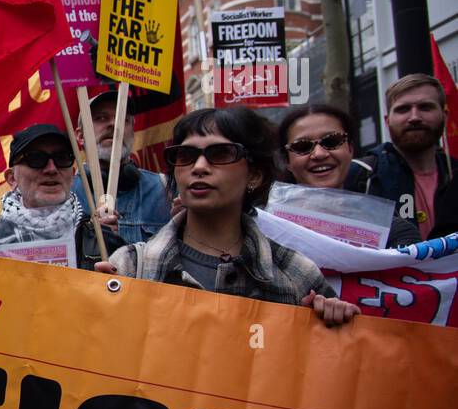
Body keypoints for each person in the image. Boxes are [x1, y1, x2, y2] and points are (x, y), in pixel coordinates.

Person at [96, 108, 360, 326]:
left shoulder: (296, 274)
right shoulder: (130, 267)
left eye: (221, 154)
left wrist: (333, 321)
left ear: (255, 175)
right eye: (186, 156)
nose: (199, 167)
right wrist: (96, 304)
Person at [0, 124, 124, 270]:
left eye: (62, 158)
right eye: (36, 159)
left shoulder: (102, 241)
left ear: (73, 172)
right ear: (12, 178)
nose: (51, 169)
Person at [276, 104, 421, 247]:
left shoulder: (391, 230)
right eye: (302, 146)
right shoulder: (264, 227)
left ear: (351, 148)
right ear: (286, 160)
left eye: (332, 141)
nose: (319, 154)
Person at [343, 74, 457, 239]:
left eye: (425, 107)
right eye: (403, 109)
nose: (414, 117)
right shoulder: (359, 175)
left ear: (444, 116)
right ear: (387, 120)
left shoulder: (454, 173)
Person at [71, 88, 172, 244]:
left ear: (133, 132)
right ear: (80, 136)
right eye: (101, 118)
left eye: (122, 119)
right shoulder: (66, 196)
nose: (113, 124)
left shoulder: (166, 190)